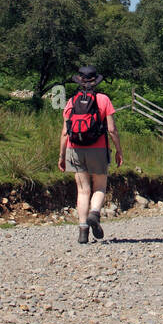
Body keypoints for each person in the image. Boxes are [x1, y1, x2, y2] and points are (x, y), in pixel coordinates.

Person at [57, 66, 122, 244]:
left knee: (83, 190)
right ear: (95, 82)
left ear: (79, 81)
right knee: (99, 187)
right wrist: (118, 150)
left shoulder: (71, 102)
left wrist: (62, 156)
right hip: (98, 148)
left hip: (75, 148)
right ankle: (94, 213)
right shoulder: (103, 100)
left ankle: (83, 230)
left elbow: (64, 132)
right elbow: (112, 129)